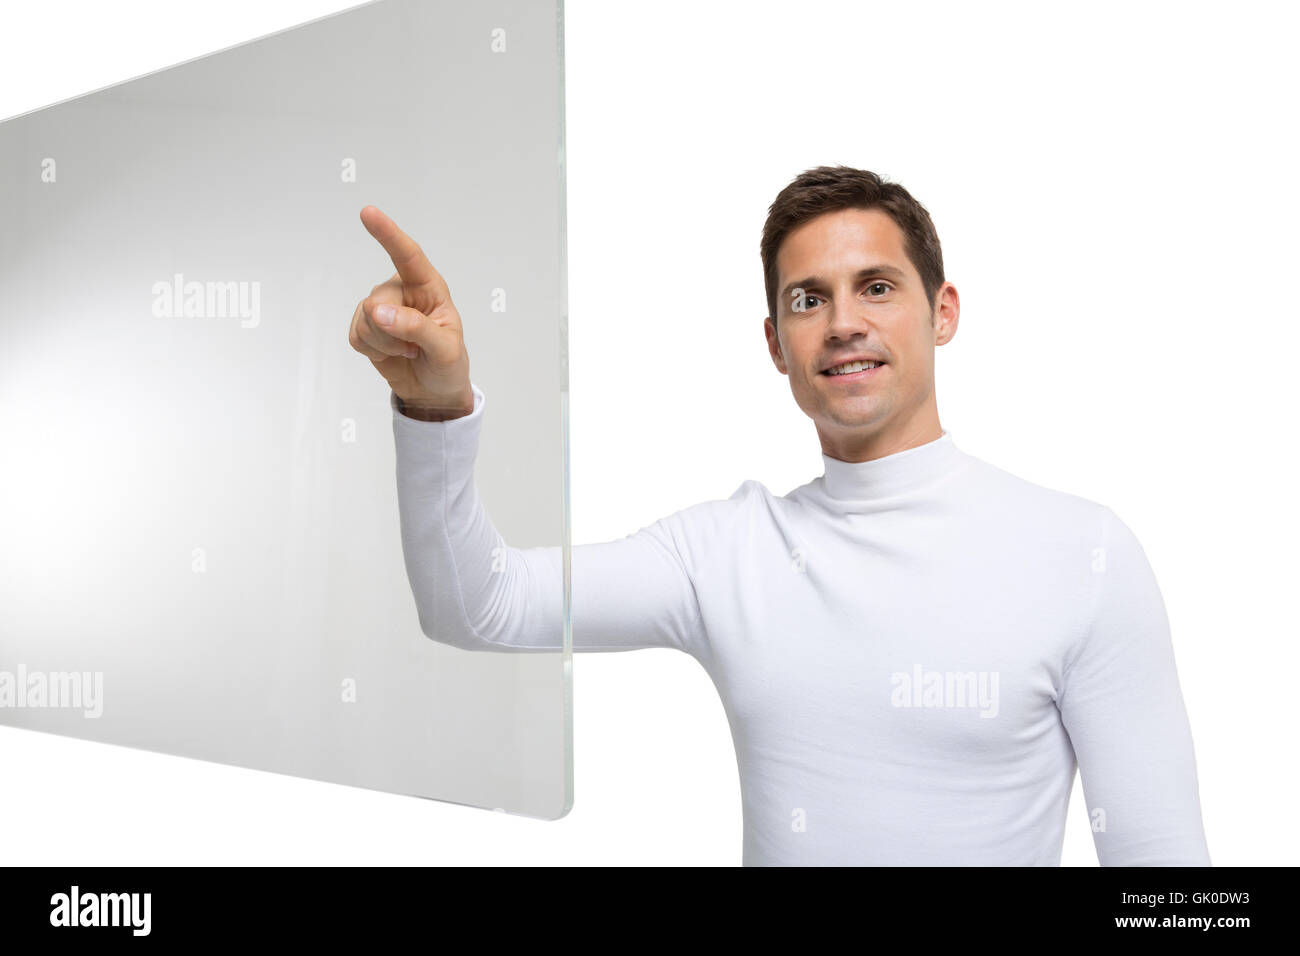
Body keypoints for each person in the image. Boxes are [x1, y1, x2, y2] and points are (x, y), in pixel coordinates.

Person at [347, 165, 1211, 867]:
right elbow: (478, 605)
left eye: (876, 287)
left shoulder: (1080, 553)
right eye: (808, 299)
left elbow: (1169, 879)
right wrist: (437, 410)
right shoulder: (728, 553)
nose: (843, 324)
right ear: (775, 345)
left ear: (942, 313)